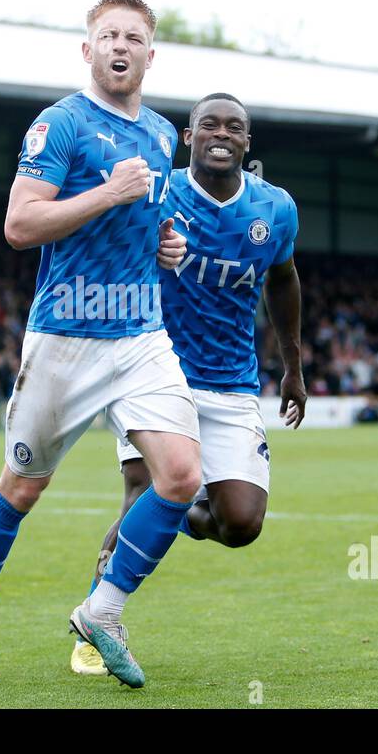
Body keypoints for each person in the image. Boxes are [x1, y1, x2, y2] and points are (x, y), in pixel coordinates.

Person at [0, 0, 195, 689]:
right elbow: (20, 225)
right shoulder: (58, 125)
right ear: (87, 50)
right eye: (108, 34)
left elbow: (151, 219)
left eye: (135, 36)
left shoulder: (163, 134)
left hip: (142, 335)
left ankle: (103, 610)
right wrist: (107, 195)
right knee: (23, 487)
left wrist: (165, 243)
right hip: (66, 335)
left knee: (181, 476)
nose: (121, 45)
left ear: (151, 53)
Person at [70, 93, 305, 676]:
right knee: (140, 489)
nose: (221, 134)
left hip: (231, 384)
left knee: (241, 525)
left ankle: (186, 503)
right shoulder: (156, 192)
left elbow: (284, 279)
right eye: (209, 125)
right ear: (188, 135)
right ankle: (95, 622)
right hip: (152, 369)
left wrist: (293, 365)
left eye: (234, 127)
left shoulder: (275, 209)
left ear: (247, 143)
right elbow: (102, 254)